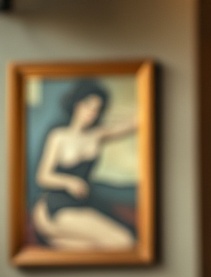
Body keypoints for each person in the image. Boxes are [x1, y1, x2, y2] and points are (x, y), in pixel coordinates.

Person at [30, 79, 138, 250]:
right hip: (53, 207)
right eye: (88, 105)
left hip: (79, 205)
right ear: (76, 103)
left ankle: (58, 245)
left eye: (97, 109)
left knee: (121, 241)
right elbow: (42, 177)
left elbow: (134, 124)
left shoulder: (97, 135)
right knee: (123, 241)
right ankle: (53, 240)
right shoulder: (58, 136)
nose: (91, 112)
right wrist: (69, 182)